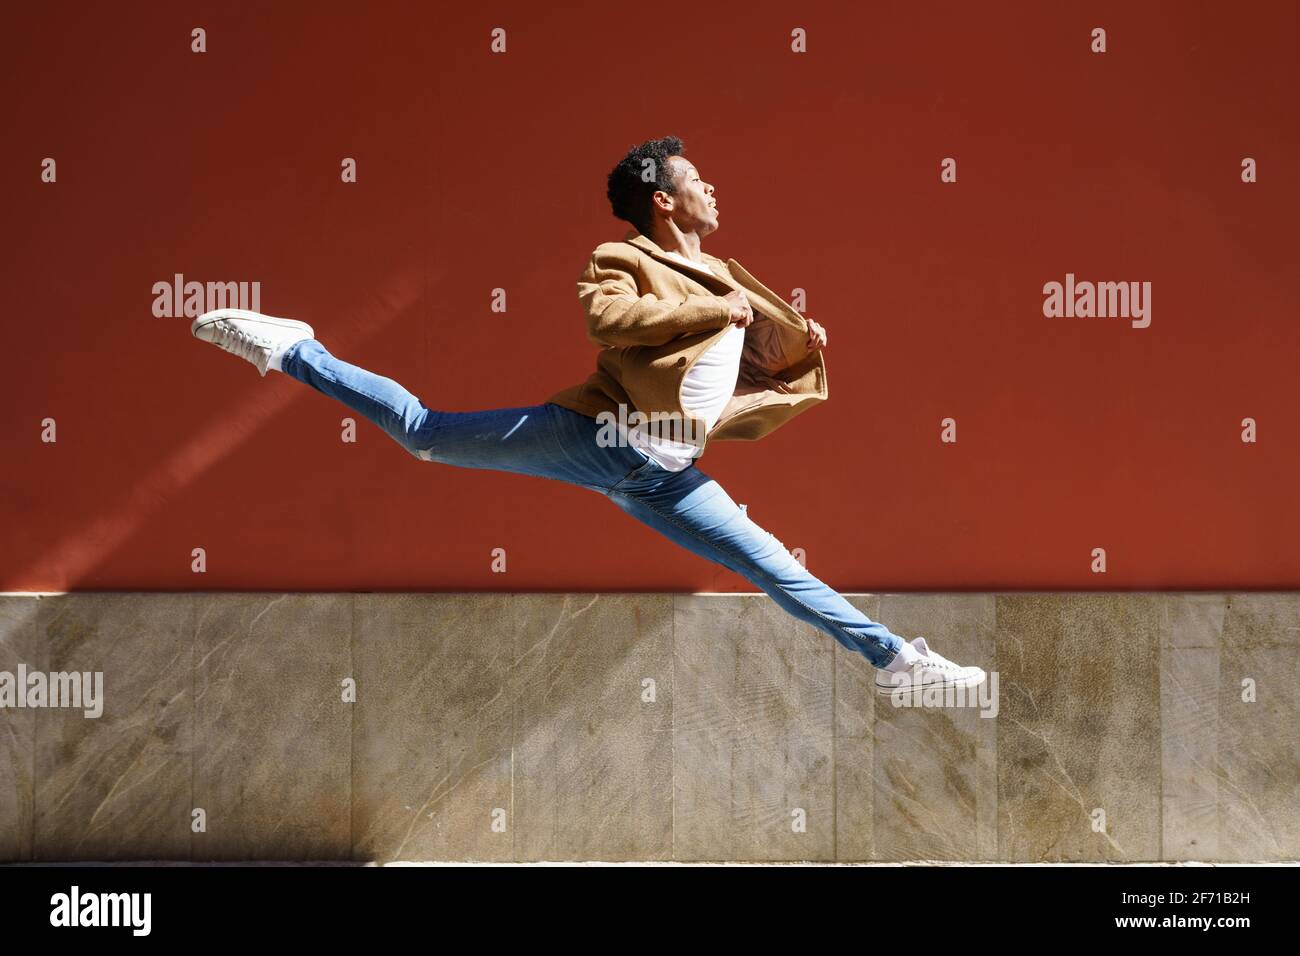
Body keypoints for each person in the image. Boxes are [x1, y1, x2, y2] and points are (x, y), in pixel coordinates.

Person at [189, 135, 985, 696]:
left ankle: (896, 665)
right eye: (699, 178)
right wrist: (720, 315)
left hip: (669, 474)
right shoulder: (624, 259)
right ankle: (295, 351)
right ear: (663, 197)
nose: (716, 190)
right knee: (426, 437)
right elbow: (612, 323)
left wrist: (795, 349)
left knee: (772, 564)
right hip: (595, 437)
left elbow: (719, 380)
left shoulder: (725, 277)